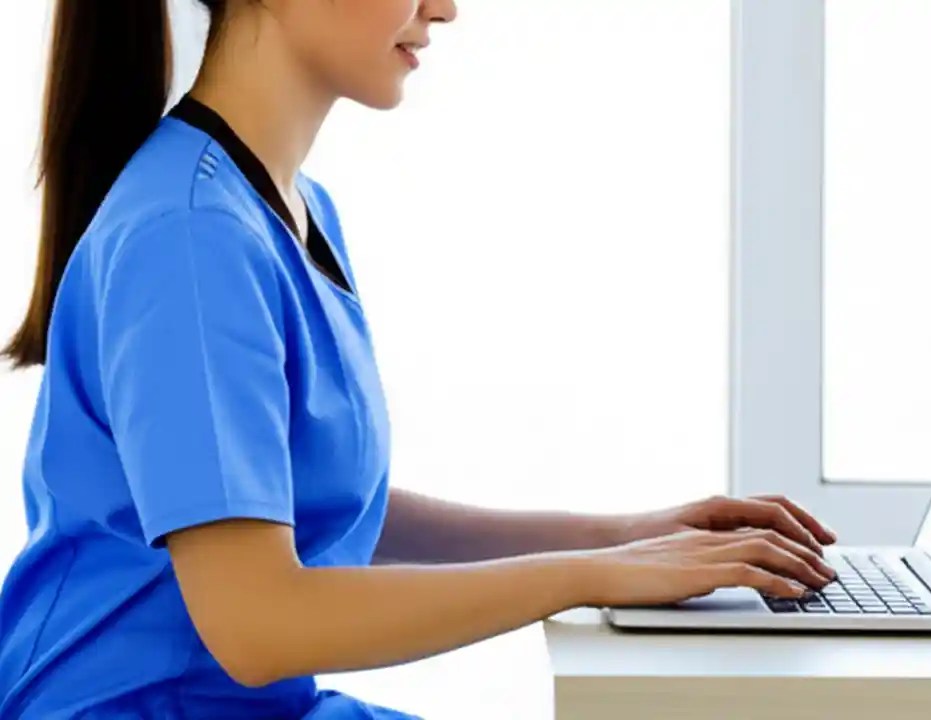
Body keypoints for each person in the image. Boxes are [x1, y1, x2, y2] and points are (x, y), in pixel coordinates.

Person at [0, 2, 840, 717]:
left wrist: (633, 537)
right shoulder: (188, 239)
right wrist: (594, 575)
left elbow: (313, 509)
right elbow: (259, 624)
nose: (444, 6)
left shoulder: (279, 204)